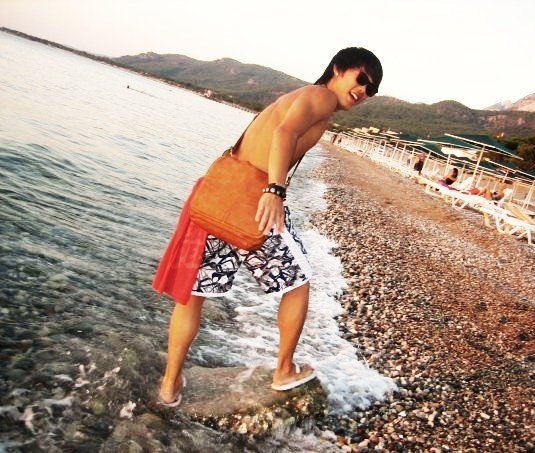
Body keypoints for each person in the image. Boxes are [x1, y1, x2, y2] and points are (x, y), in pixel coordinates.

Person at [157, 47, 383, 406]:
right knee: (298, 281)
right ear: (338, 69)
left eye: (371, 89)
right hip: (255, 201)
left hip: (220, 195)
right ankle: (284, 369)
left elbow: (274, 133)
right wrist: (275, 190)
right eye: (361, 79)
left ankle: (170, 385)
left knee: (193, 295)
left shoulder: (301, 97)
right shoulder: (321, 96)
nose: (363, 91)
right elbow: (284, 133)